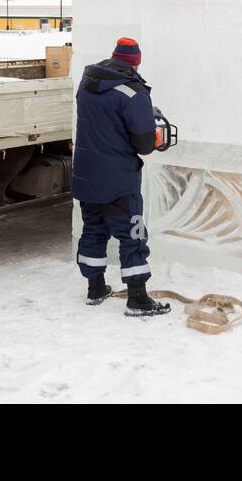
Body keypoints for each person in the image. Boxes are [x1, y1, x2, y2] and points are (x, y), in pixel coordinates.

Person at [72, 37, 171, 317]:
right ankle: (137, 298)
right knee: (133, 236)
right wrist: (148, 124)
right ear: (136, 62)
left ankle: (95, 288)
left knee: (93, 229)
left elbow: (108, 112)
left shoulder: (88, 82)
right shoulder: (134, 92)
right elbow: (143, 144)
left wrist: (142, 112)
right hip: (118, 180)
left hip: (87, 175)